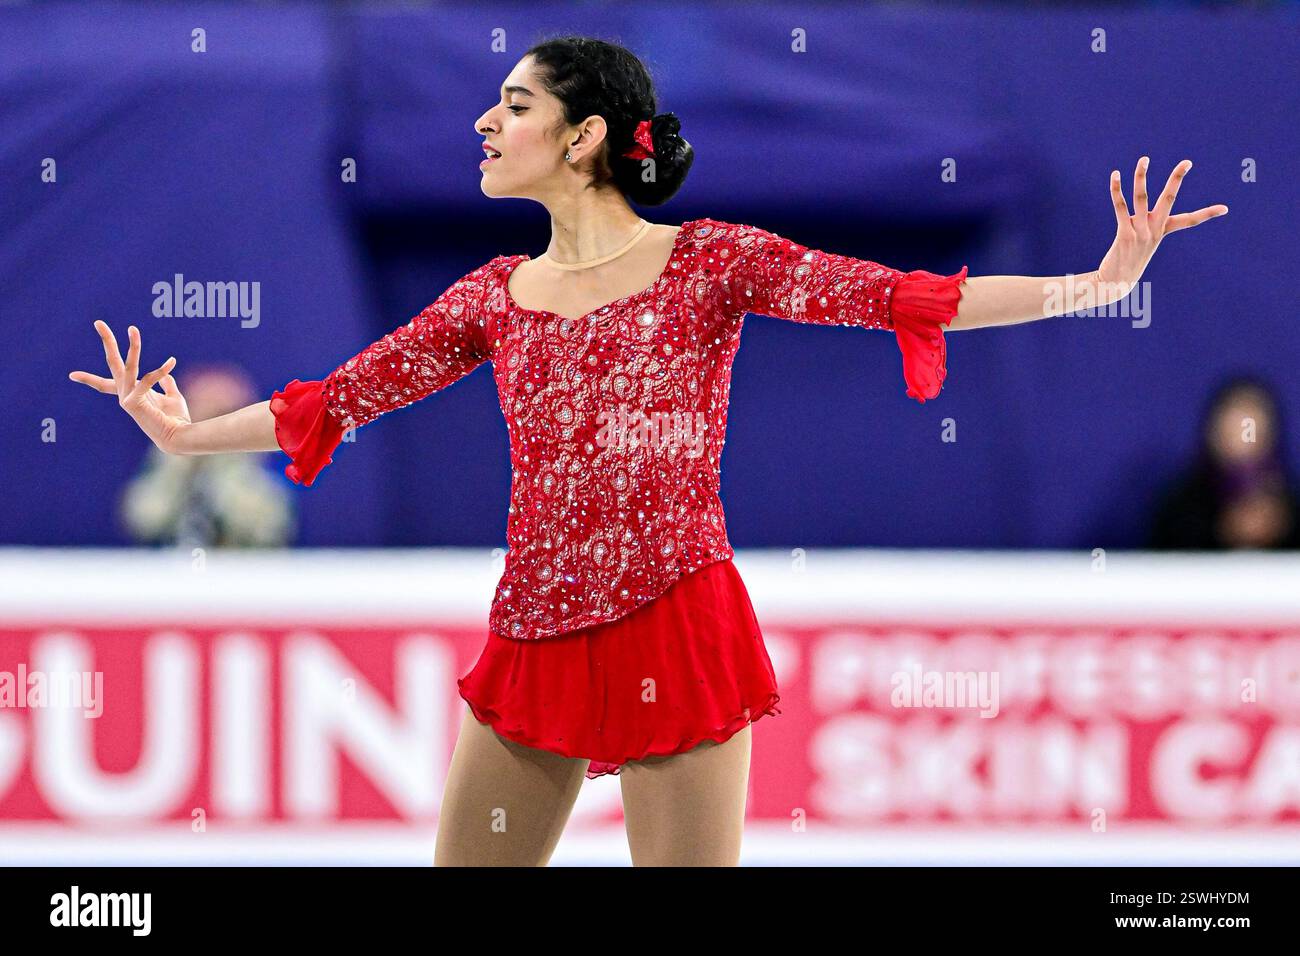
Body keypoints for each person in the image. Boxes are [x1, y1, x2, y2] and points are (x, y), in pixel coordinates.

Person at [69, 35, 1228, 865]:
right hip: (531, 630)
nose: (485, 122)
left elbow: (900, 297)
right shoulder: (492, 294)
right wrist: (187, 436)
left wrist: (1097, 282)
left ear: (582, 139)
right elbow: (345, 394)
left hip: (674, 617)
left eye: (513, 105)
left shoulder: (709, 259)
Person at [1149, 375, 1299, 549]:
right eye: (1234, 424)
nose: (1243, 435)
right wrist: (1221, 531)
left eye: (1250, 426)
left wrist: (1282, 529)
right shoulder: (1180, 507)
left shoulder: (1292, 507)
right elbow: (1162, 561)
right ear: (1213, 431)